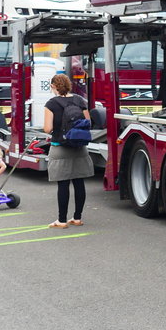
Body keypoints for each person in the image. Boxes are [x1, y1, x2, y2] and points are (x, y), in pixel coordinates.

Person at [43, 73, 93, 229]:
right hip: (79, 147)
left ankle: (62, 220)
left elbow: (48, 128)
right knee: (79, 182)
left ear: (53, 86)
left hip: (60, 147)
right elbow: (88, 122)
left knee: (63, 185)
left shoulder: (51, 104)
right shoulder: (79, 100)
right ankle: (77, 218)